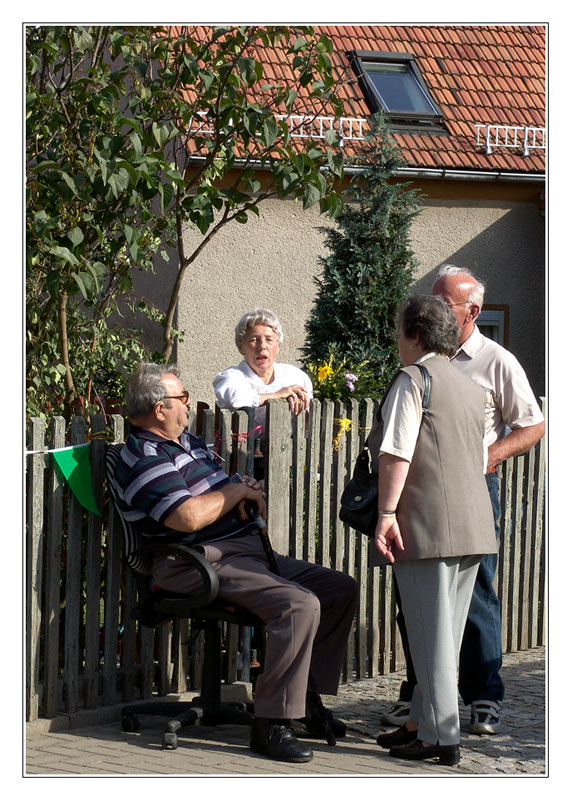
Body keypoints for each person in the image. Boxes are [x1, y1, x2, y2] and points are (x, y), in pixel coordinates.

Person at [113, 362, 357, 763]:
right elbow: (187, 516)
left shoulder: (187, 443)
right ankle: (271, 725)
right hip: (195, 563)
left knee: (338, 589)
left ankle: (303, 700)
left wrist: (241, 489)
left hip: (242, 551)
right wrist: (234, 494)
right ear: (159, 408)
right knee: (298, 604)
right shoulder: (144, 456)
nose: (188, 404)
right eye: (182, 398)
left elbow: (215, 493)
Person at [382, 265, 545, 736]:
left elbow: (533, 423)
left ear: (472, 312)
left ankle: (481, 695)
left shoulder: (495, 360)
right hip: (425, 489)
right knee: (418, 601)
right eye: (431, 299)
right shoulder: (427, 363)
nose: (434, 308)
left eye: (444, 302)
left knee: (475, 596)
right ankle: (423, 698)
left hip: (473, 487)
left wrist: (488, 457)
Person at [370, 295, 497, 765]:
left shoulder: (413, 378)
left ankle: (441, 736)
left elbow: (395, 452)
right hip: (473, 524)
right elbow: (479, 458)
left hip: (426, 525)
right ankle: (422, 724)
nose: (397, 341)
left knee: (429, 638)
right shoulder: (471, 386)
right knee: (444, 635)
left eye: (400, 332)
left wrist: (386, 513)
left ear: (415, 335)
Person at [213, 308, 313, 434]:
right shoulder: (232, 377)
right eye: (254, 340)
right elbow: (237, 400)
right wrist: (278, 395)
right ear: (241, 347)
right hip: (243, 446)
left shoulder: (294, 376)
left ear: (278, 346)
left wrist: (302, 404)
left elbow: (309, 420)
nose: (262, 346)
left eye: (269, 339)